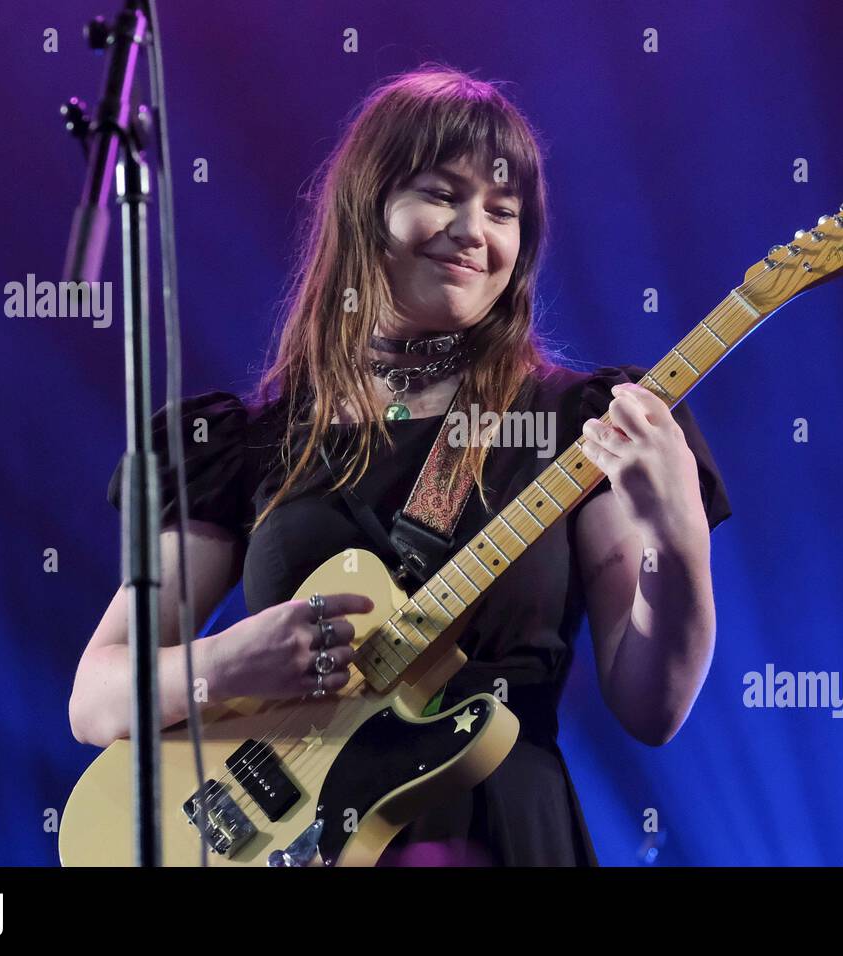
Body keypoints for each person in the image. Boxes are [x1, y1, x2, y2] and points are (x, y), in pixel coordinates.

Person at [68, 63, 732, 867]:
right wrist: (231, 660)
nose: (475, 231)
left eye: (503, 211)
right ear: (365, 206)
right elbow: (97, 697)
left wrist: (679, 536)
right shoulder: (249, 442)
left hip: (491, 838)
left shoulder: (573, 422)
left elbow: (651, 708)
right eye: (442, 194)